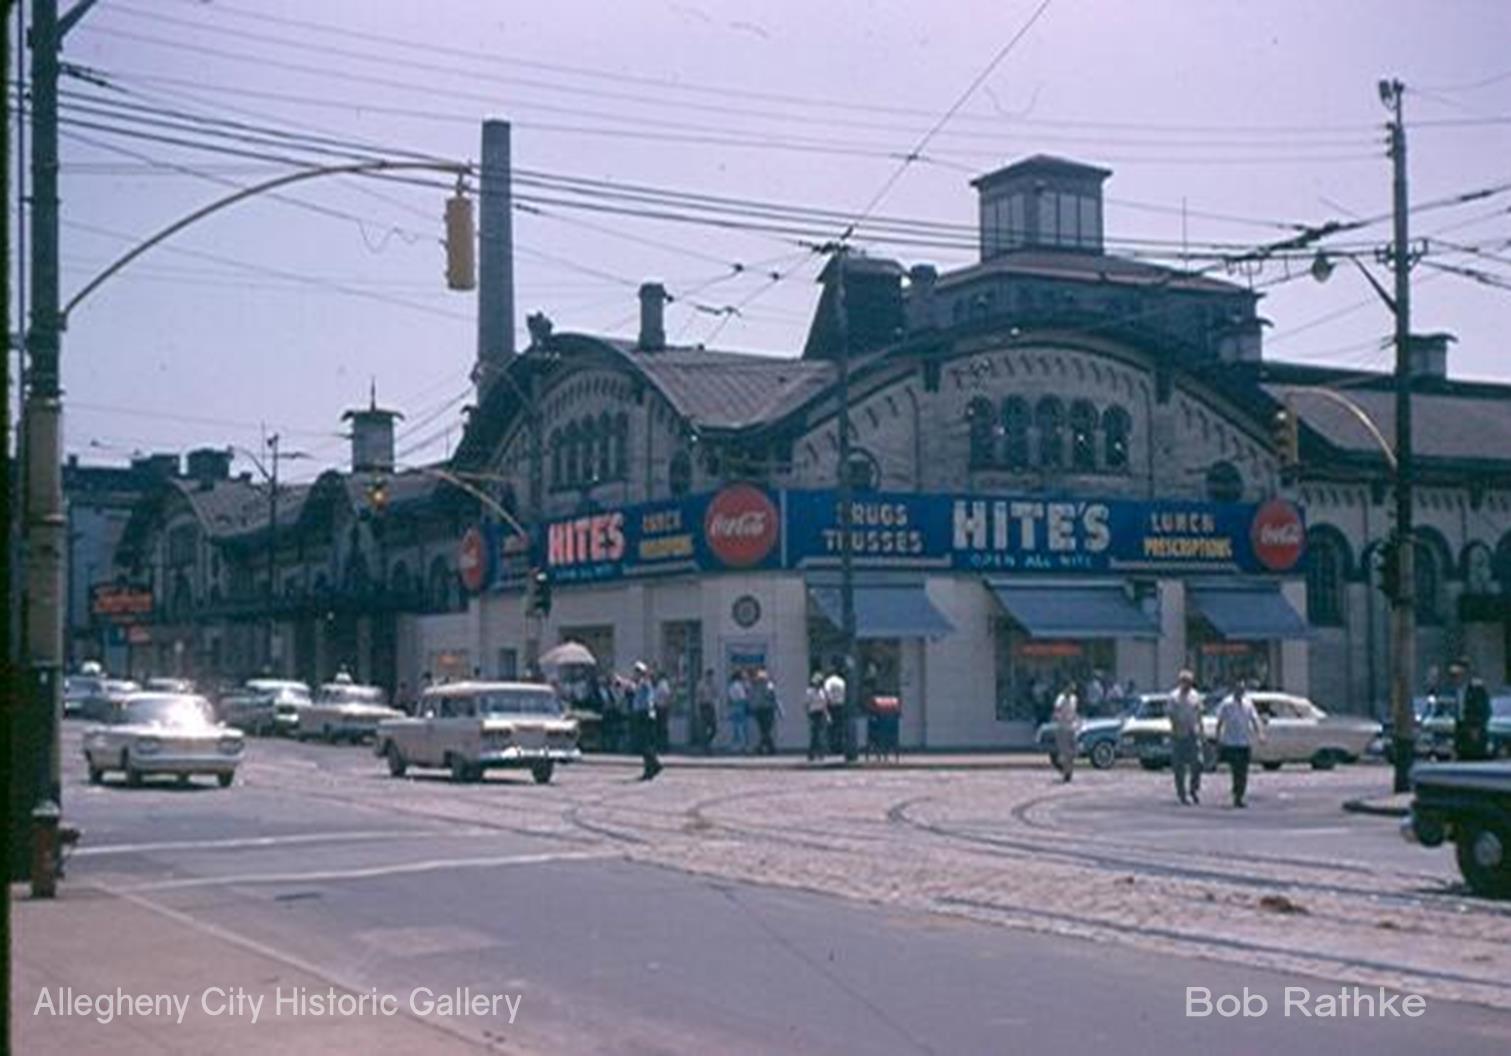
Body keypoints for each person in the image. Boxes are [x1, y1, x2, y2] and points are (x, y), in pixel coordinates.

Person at [1215, 681, 1264, 808]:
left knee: (1243, 770)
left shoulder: (1248, 704)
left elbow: (1255, 719)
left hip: (1244, 741)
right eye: (1238, 689)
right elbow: (1220, 721)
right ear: (1233, 690)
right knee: (1236, 770)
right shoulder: (1227, 704)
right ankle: (1237, 794)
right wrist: (1218, 736)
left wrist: (1260, 734)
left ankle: (1239, 794)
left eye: (1242, 689)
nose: (1241, 691)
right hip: (1232, 742)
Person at [1168, 669, 1205, 806]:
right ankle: (1182, 793)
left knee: (1198, 762)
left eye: (1190, 682)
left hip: (1192, 733)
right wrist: (1176, 727)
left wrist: (1201, 731)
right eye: (1186, 682)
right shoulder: (1174, 697)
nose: (1188, 685)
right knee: (1179, 766)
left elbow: (1199, 714)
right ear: (1181, 682)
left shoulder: (1195, 695)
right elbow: (1171, 715)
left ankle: (1194, 789)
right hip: (1179, 734)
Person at [630, 662, 661, 780]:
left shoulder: (644, 683)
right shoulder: (640, 684)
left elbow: (649, 699)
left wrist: (649, 711)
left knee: (645, 743)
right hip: (641, 714)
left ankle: (652, 768)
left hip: (644, 715)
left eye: (637, 672)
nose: (635, 674)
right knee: (644, 743)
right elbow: (631, 687)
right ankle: (653, 766)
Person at [1051, 682, 1080, 782]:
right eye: (1069, 689)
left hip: (1071, 727)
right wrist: (1058, 717)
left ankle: (1068, 771)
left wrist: (1077, 721)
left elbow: (1074, 712)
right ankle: (1066, 773)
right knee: (1065, 752)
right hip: (1062, 727)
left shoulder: (1074, 699)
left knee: (1072, 753)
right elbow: (1056, 710)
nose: (1070, 691)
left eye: (1072, 689)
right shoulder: (1061, 698)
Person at [750, 669, 780, 755]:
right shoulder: (768, 685)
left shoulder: (755, 685)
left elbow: (752, 697)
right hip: (767, 709)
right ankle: (768, 748)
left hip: (760, 709)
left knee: (764, 730)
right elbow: (772, 695)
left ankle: (763, 748)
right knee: (766, 730)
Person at [822, 662, 847, 755]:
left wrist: (827, 702)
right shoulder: (841, 681)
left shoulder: (829, 681)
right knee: (840, 728)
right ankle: (839, 747)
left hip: (832, 706)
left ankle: (832, 748)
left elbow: (826, 692)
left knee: (831, 728)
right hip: (841, 705)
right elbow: (845, 693)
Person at [805, 671, 829, 761]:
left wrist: (827, 714)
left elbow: (825, 704)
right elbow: (806, 704)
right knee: (815, 735)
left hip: (821, 713)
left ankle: (821, 754)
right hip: (814, 714)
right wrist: (809, 716)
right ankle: (812, 754)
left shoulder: (823, 692)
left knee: (821, 735)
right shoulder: (809, 692)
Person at [727, 668, 750, 752]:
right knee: (742, 726)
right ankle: (744, 745)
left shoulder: (731, 685)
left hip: (734, 705)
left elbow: (730, 697)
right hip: (740, 705)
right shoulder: (738, 685)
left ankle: (735, 745)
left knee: (736, 726)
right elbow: (742, 697)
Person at [695, 669, 718, 754]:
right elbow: (698, 697)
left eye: (712, 676)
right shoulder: (701, 684)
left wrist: (713, 687)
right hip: (704, 706)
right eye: (710, 676)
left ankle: (707, 742)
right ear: (707, 676)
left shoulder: (712, 684)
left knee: (714, 728)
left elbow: (716, 694)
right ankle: (705, 747)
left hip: (711, 706)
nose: (711, 678)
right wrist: (698, 709)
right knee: (704, 727)